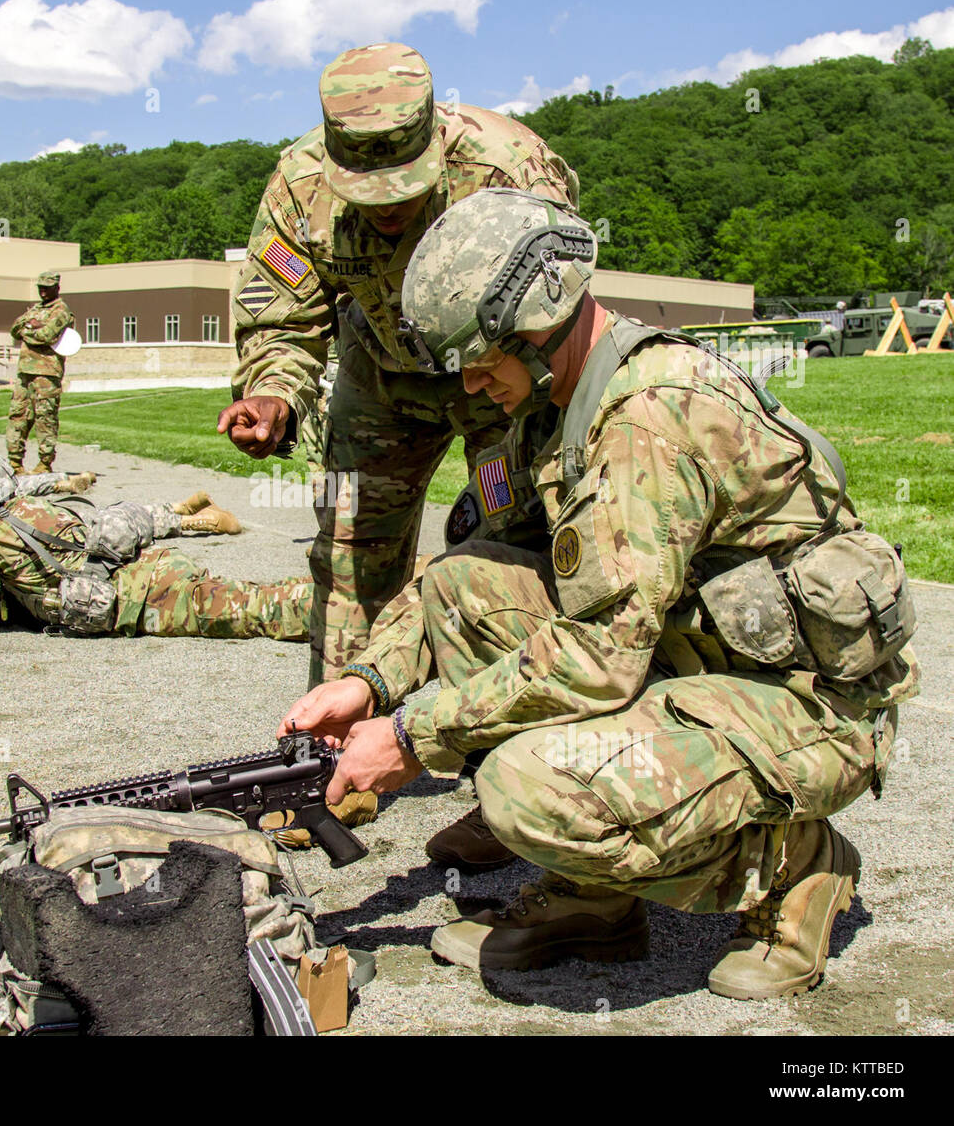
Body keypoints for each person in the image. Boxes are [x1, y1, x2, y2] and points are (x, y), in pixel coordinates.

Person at [277, 189, 919, 1000]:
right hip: (697, 659)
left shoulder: (645, 418)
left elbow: (600, 661)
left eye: (483, 359)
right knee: (464, 587)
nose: (474, 387)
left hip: (806, 705)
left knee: (527, 787)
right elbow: (474, 571)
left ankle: (793, 868)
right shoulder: (558, 404)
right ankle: (600, 898)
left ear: (538, 328)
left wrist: (411, 735)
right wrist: (367, 682)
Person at [217, 43, 579, 688]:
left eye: (404, 188)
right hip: (379, 376)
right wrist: (274, 392)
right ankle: (339, 742)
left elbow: (561, 311)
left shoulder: (509, 170)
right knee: (351, 553)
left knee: (514, 541)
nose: (387, 208)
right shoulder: (300, 187)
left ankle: (502, 739)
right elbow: (281, 315)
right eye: (366, 193)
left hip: (498, 383)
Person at [0, 454, 309, 641]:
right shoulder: (26, 509)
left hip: (141, 599)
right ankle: (333, 595)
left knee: (252, 610)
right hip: (145, 569)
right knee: (246, 595)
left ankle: (338, 609)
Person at [0, 440, 236, 544]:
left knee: (101, 531)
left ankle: (197, 521)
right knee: (103, 519)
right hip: (23, 511)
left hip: (24, 524)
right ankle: (179, 507)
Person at [7, 270, 73, 474]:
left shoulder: (61, 311)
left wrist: (30, 329)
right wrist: (32, 326)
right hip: (25, 371)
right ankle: (15, 462)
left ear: (57, 288)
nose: (43, 292)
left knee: (45, 417)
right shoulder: (35, 309)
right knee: (18, 415)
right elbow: (14, 329)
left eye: (47, 288)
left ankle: (44, 463)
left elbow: (47, 336)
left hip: (47, 373)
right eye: (40, 288)